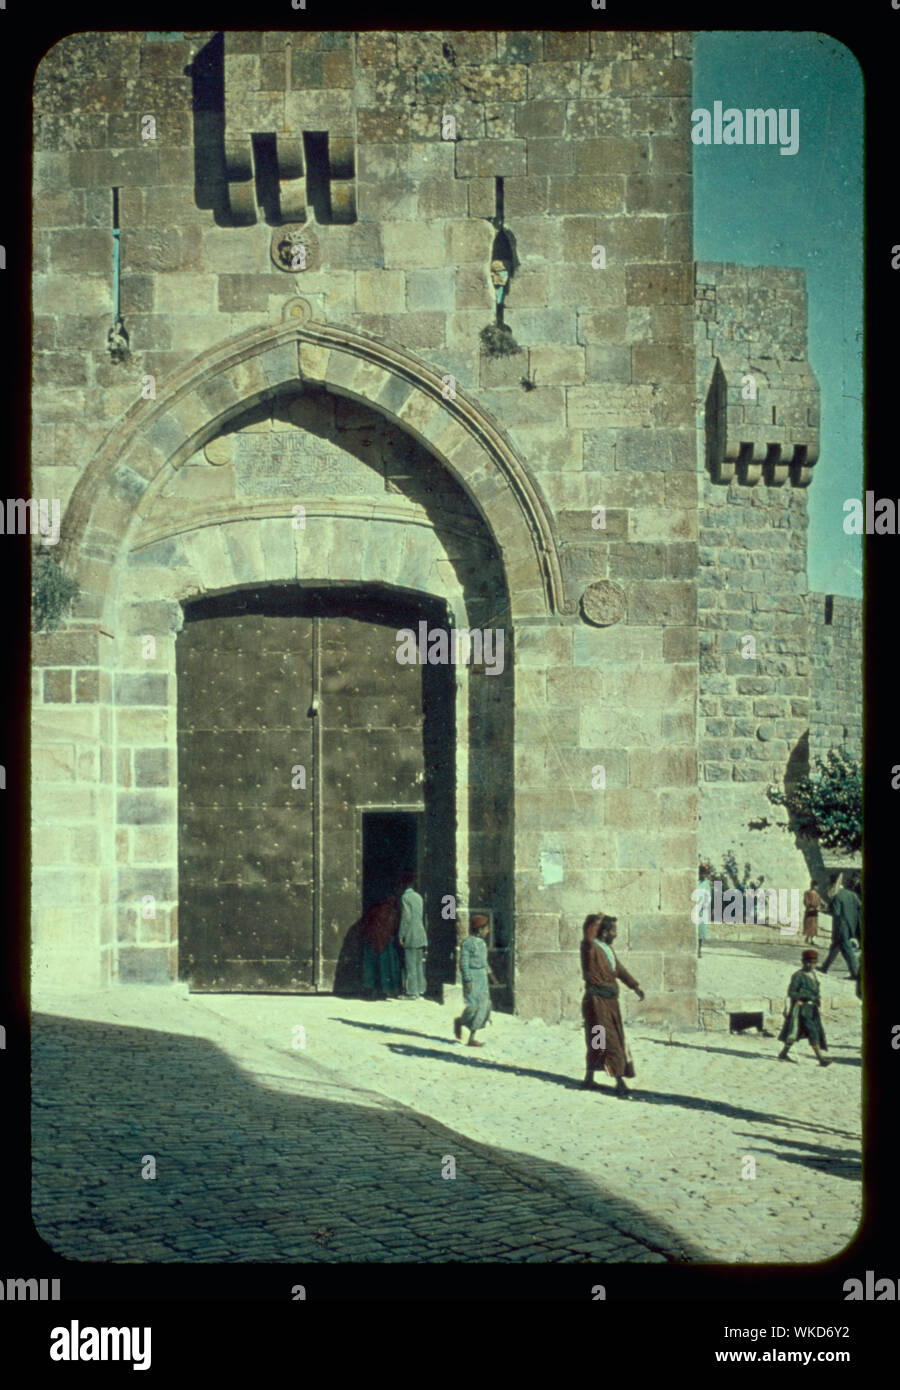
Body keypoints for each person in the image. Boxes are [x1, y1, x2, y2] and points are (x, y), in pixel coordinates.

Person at [580, 913, 645, 1099]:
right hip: (596, 1002)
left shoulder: (607, 949)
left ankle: (589, 1078)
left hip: (610, 1002)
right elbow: (588, 936)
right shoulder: (590, 948)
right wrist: (597, 920)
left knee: (602, 1037)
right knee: (605, 1039)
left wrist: (634, 986)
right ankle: (619, 1081)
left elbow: (619, 969)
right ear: (604, 931)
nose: (616, 934)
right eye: (613, 930)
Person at [777, 948, 831, 1066]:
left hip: (812, 1010)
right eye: (808, 962)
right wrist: (803, 998)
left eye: (813, 962)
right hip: (801, 1011)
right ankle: (821, 1059)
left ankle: (783, 1054)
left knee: (796, 1033)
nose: (810, 965)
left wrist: (817, 1000)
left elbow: (816, 991)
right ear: (803, 962)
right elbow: (791, 992)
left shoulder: (813, 975)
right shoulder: (798, 976)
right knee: (810, 1032)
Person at [454, 915, 495, 1046]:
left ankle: (472, 1037)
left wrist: (491, 975)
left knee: (484, 1006)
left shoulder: (482, 944)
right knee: (473, 1007)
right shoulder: (467, 943)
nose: (488, 931)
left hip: (482, 977)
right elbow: (464, 963)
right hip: (472, 976)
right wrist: (467, 980)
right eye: (486, 928)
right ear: (479, 929)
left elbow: (484, 962)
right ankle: (460, 1021)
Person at [819, 874, 861, 979]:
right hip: (851, 926)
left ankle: (855, 974)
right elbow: (859, 908)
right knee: (834, 948)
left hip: (841, 928)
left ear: (833, 885)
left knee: (847, 950)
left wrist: (825, 910)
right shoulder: (853, 895)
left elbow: (836, 913)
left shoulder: (837, 896)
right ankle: (824, 967)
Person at [360, 895, 401, 1000]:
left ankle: (370, 990)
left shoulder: (374, 910)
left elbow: (365, 924)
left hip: (372, 941)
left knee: (371, 968)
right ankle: (384, 991)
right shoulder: (393, 912)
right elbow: (394, 928)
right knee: (385, 969)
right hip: (385, 943)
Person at [397, 870, 427, 999]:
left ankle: (412, 992)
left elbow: (406, 918)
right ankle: (420, 988)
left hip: (411, 934)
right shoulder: (419, 897)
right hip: (420, 933)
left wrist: (401, 934)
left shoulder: (405, 897)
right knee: (419, 964)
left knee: (410, 965)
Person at [697, 862, 713, 958]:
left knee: (701, 931)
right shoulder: (695, 881)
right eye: (702, 873)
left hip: (702, 910)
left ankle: (699, 949)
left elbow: (709, 895)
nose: (703, 875)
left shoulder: (706, 883)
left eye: (705, 873)